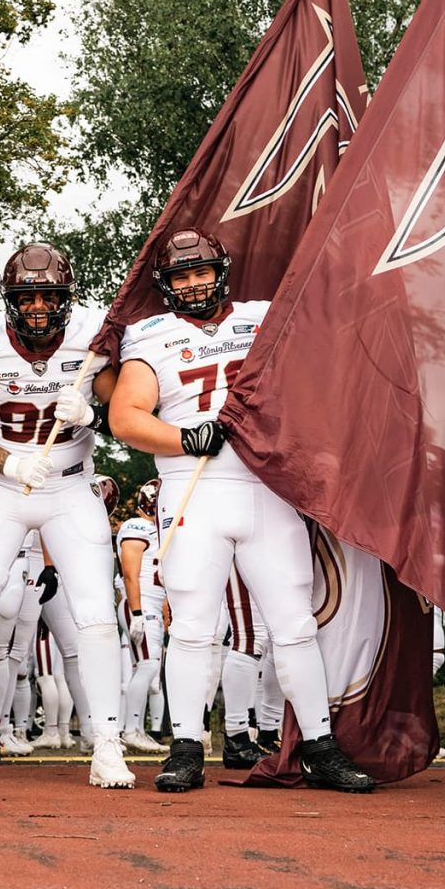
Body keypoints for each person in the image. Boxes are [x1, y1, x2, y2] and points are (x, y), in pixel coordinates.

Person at [106, 229, 375, 794]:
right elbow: (126, 416)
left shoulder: (264, 318)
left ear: (221, 272)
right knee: (194, 627)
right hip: (192, 489)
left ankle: (319, 747)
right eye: (181, 276)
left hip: (266, 487)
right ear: (166, 284)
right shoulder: (151, 335)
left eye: (201, 271)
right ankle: (186, 748)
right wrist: (184, 437)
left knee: (295, 624)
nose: (192, 284)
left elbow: (326, 358)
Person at [0, 242, 134, 789]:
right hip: (1, 487)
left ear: (68, 297)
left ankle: (107, 744)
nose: (38, 306)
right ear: (9, 299)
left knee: (96, 616)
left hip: (71, 487)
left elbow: (127, 415)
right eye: (27, 296)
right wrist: (10, 461)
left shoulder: (93, 337)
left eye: (49, 295)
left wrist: (92, 414)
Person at [117, 478, 166, 753]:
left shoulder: (156, 530)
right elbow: (130, 574)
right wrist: (137, 612)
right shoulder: (137, 527)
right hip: (141, 605)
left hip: (151, 606)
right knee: (146, 667)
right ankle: (131, 730)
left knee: (145, 668)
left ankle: (136, 729)